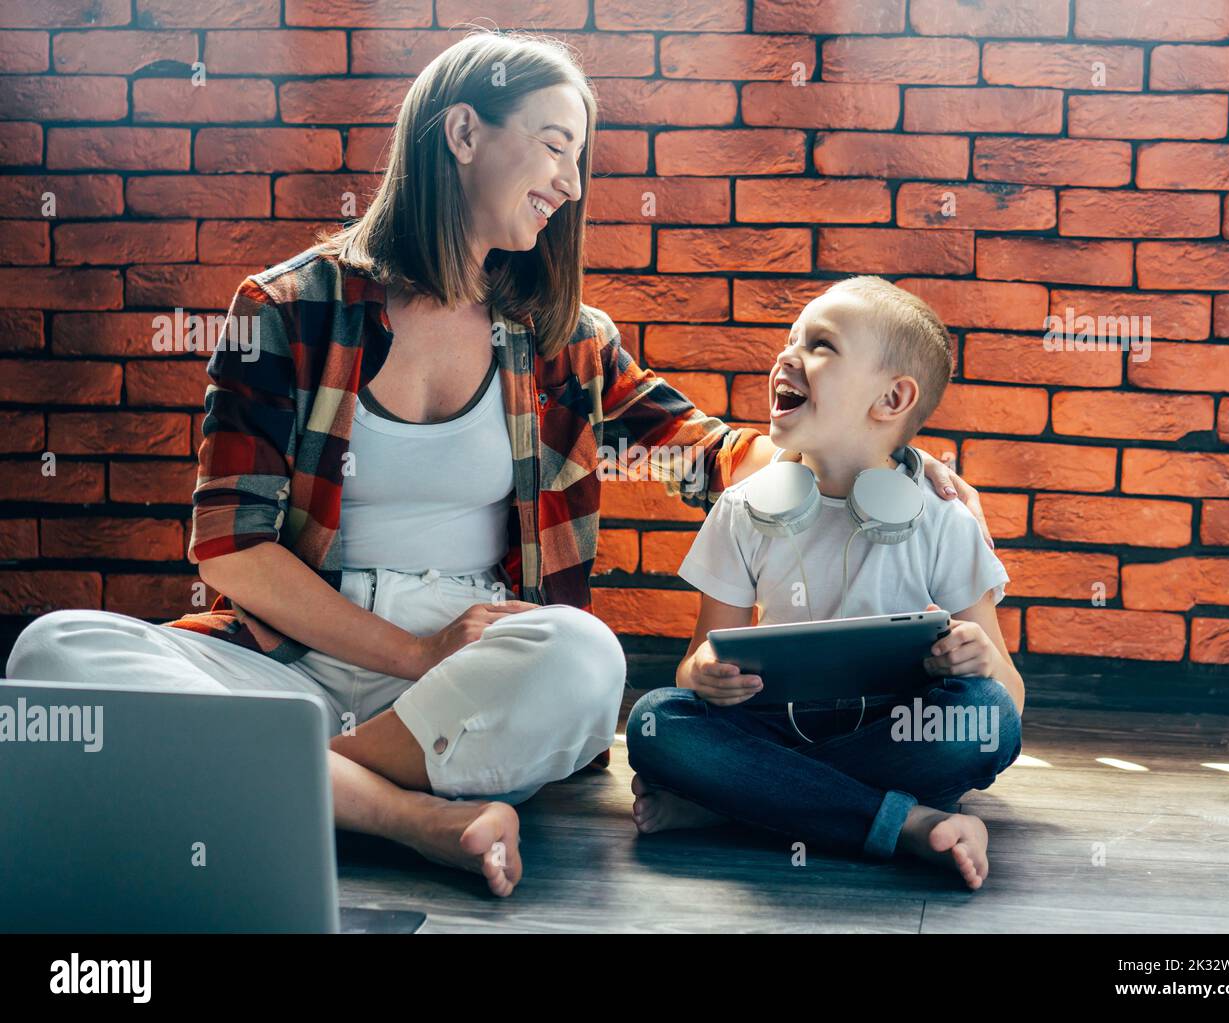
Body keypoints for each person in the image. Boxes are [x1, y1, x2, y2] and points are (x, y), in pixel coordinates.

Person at [6, 33, 990, 899]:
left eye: (579, 159)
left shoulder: (563, 338)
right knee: (57, 652)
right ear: (464, 132)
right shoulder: (290, 308)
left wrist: (875, 449)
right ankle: (410, 817)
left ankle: (287, 783)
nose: (569, 182)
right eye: (555, 144)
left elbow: (708, 458)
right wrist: (407, 656)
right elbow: (231, 552)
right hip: (291, 652)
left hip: (476, 660)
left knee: (582, 659)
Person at [626, 276, 1024, 891]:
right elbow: (692, 667)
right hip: (774, 723)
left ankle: (740, 800)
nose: (787, 355)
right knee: (657, 722)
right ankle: (907, 823)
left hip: (894, 734)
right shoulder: (741, 509)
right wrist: (701, 673)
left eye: (821, 345)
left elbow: (1011, 694)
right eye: (790, 340)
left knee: (988, 716)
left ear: (892, 399)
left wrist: (978, 661)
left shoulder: (944, 518)